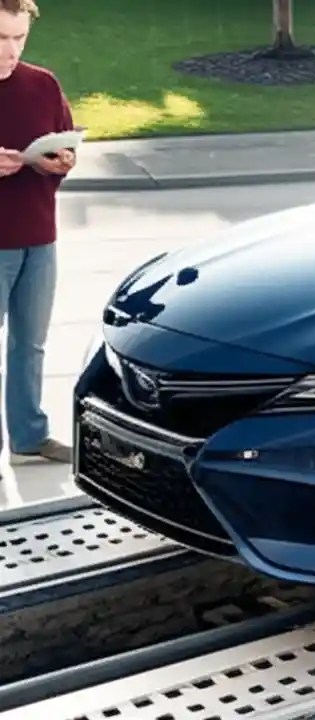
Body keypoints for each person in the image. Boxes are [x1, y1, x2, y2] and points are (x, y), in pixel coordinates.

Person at [0, 0, 74, 464]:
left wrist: (62, 162)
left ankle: (29, 436)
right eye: (0, 39)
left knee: (31, 343)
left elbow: (65, 146)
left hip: (39, 240)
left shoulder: (43, 84)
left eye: (18, 39)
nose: (10, 51)